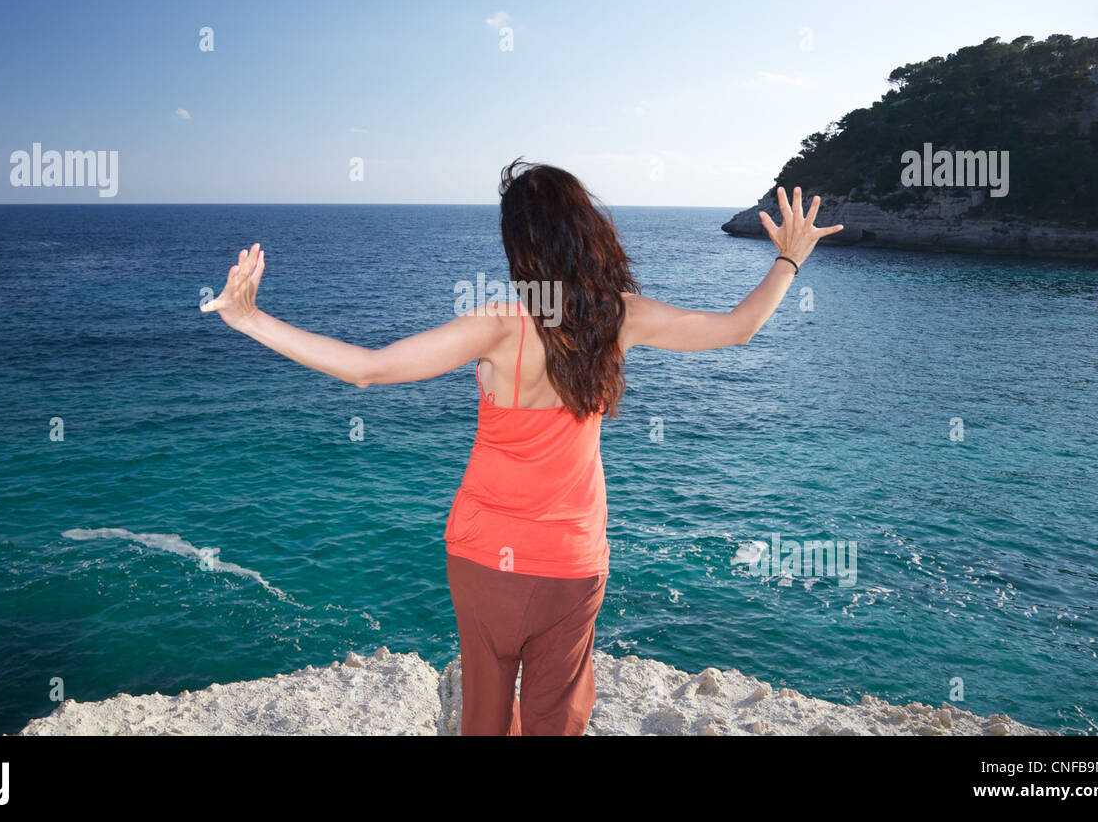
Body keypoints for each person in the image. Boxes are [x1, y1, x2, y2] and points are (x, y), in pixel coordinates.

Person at [200, 160, 842, 735]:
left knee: (483, 709)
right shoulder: (622, 317)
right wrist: (788, 259)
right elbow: (738, 328)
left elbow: (368, 369)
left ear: (520, 246)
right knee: (555, 717)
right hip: (570, 562)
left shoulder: (498, 324)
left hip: (484, 559)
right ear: (588, 232)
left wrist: (250, 316)